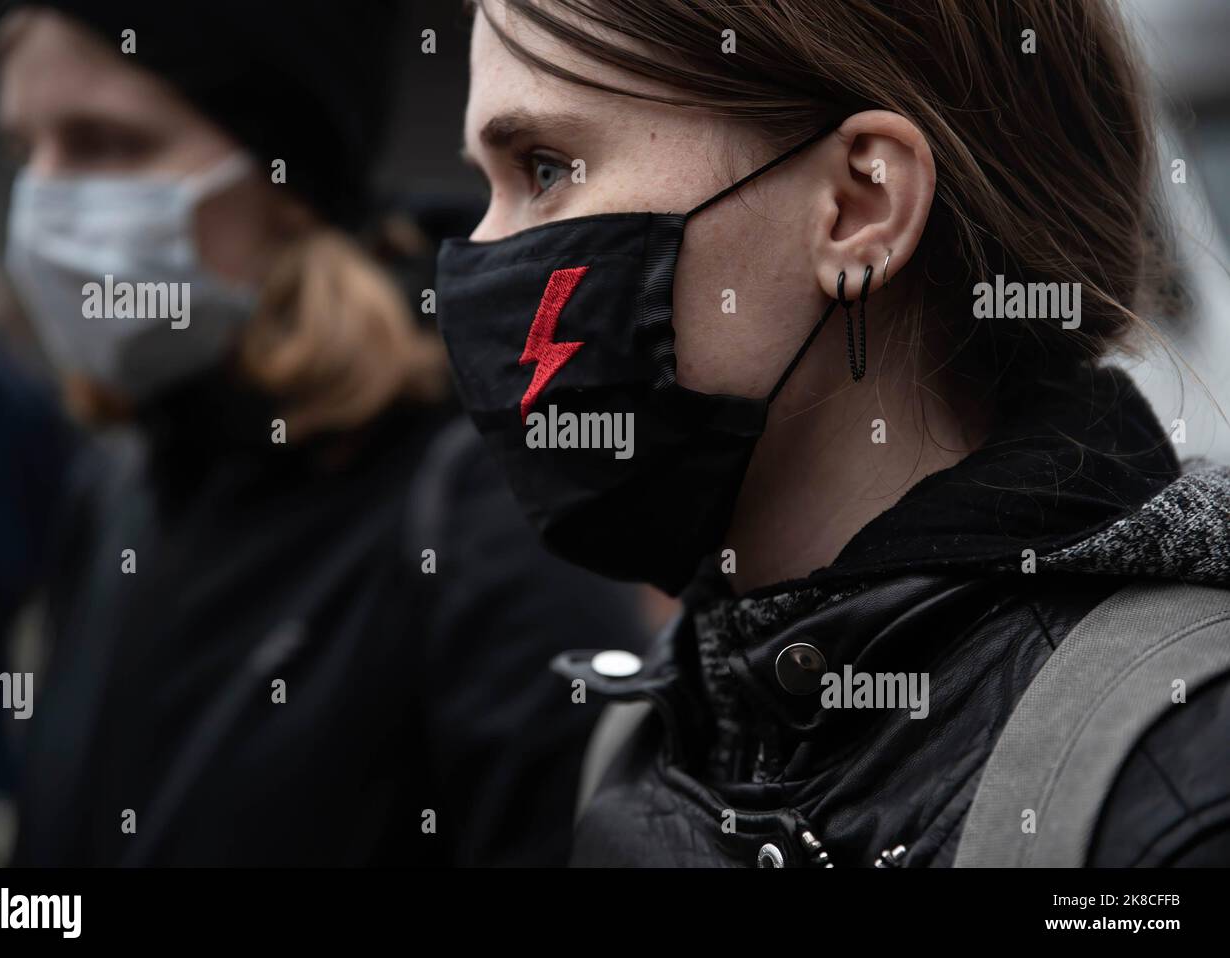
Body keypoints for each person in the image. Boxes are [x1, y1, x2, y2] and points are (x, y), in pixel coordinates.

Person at [436, 0, 1230, 867]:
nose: (479, 256)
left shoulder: (1179, 791)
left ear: (859, 208)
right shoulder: (651, 731)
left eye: (545, 169)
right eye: (488, 186)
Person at [0, 1, 644, 867]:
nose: (44, 200)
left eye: (109, 144)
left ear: (285, 181)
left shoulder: (479, 510)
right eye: (24, 151)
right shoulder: (119, 480)